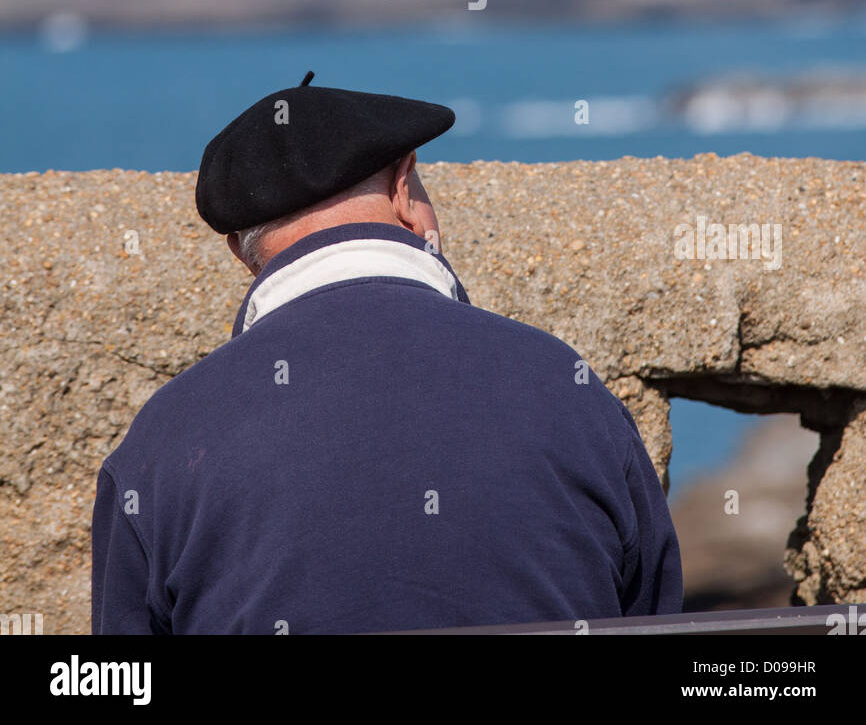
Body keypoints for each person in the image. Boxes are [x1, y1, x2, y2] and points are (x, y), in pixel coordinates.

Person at [91, 72, 682, 634]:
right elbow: (653, 611)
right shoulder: (566, 385)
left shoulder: (164, 440)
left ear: (239, 252)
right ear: (404, 187)